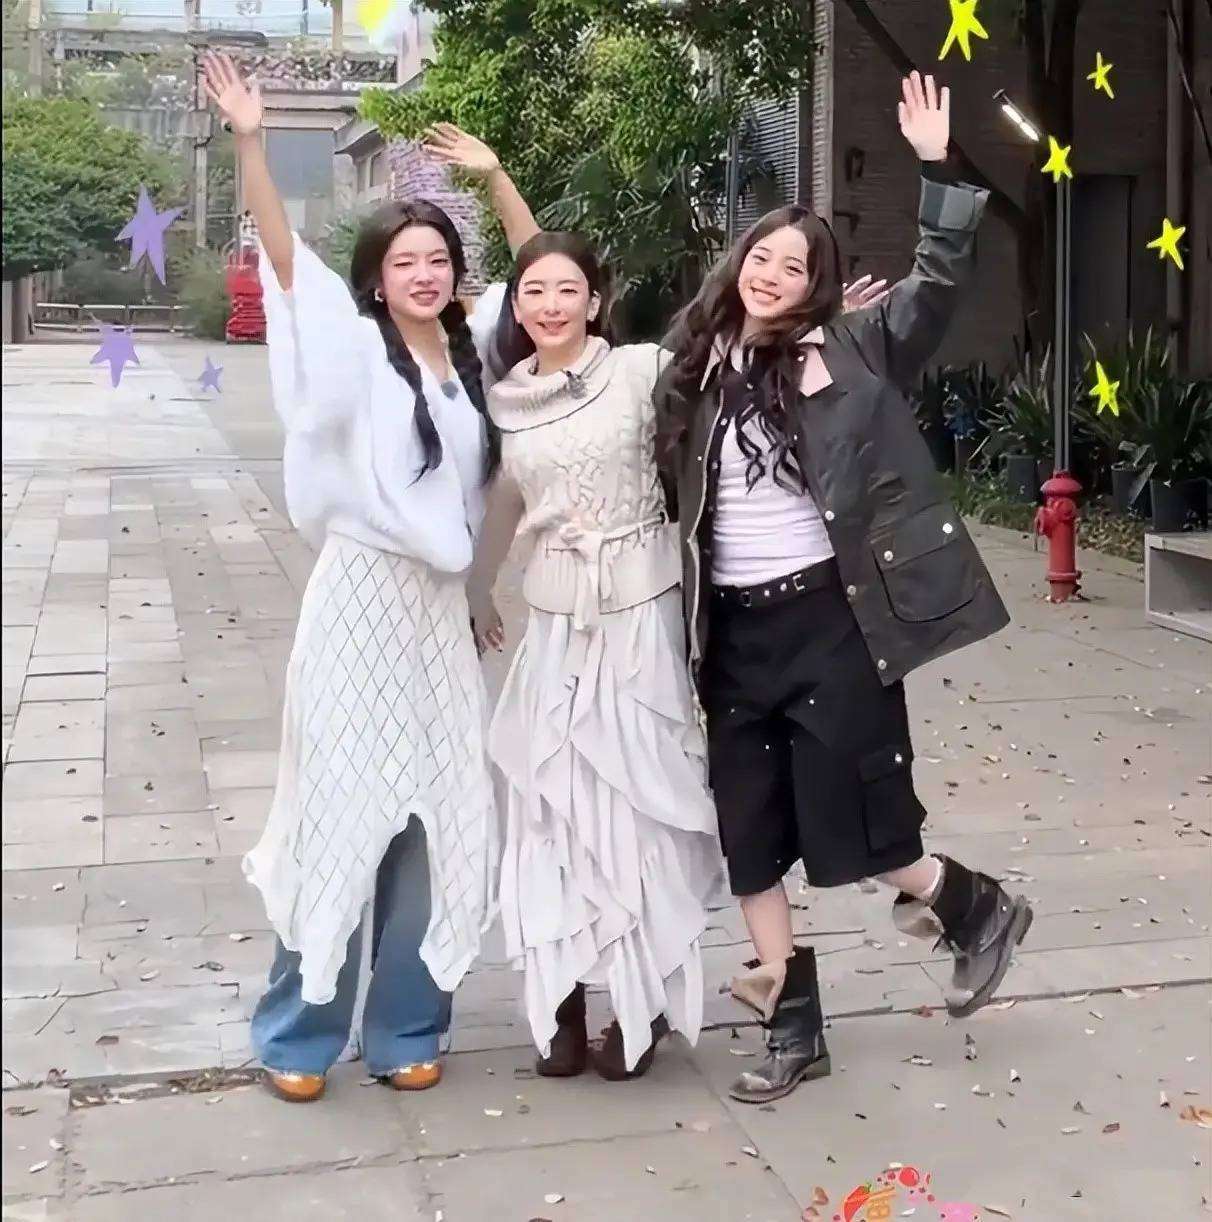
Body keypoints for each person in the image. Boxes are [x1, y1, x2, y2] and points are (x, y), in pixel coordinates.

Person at [656, 73, 1034, 1105]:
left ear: (818, 285)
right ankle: (794, 1026)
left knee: (854, 823)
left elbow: (938, 285)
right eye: (762, 257)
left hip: (832, 622)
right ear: (737, 264)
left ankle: (968, 902)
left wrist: (936, 165)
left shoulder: (858, 346)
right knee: (748, 834)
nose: (773, 274)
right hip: (731, 635)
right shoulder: (693, 366)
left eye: (796, 266)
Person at [201, 56, 539, 1103]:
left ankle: (406, 1025)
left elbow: (550, 281)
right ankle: (300, 1030)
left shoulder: (474, 356)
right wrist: (252, 144)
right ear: (378, 277)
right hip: (356, 602)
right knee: (340, 808)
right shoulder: (350, 347)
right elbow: (286, 263)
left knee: (438, 815)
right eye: (405, 261)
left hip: (436, 616)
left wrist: (495, 178)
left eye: (438, 259)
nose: (424, 274)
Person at [424, 125, 726, 1081]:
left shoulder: (637, 371)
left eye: (569, 291)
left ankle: (636, 1010)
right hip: (555, 626)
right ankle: (560, 1007)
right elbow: (504, 508)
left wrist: (502, 180)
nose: (550, 303)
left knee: (635, 811)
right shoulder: (506, 398)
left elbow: (730, 334)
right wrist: (476, 590)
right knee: (550, 808)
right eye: (533, 292)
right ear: (517, 305)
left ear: (597, 301)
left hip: (638, 622)